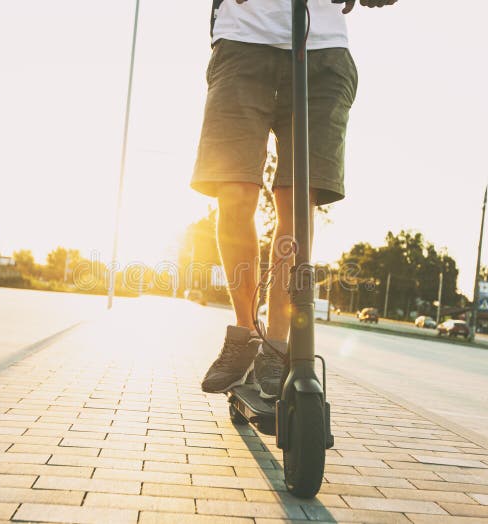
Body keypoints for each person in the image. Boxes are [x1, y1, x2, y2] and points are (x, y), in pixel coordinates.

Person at [193, 0, 397, 399]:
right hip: (242, 44)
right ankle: (244, 335)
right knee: (234, 193)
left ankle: (276, 348)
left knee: (296, 204)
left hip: (321, 54)